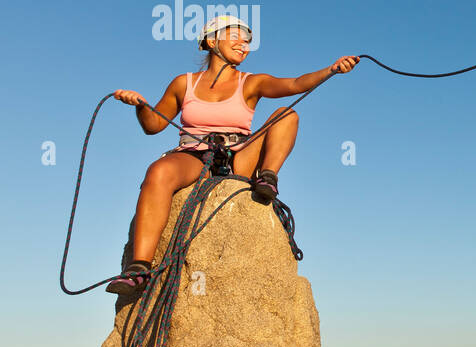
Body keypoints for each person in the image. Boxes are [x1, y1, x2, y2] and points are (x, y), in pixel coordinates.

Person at [106, 15, 359, 293]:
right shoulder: (183, 83)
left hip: (239, 156)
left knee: (287, 115)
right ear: (212, 41)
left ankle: (267, 178)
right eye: (235, 37)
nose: (244, 45)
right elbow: (153, 126)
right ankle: (138, 269)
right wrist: (140, 105)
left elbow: (296, 84)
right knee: (158, 171)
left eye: (247, 41)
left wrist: (331, 70)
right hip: (194, 154)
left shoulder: (251, 82)